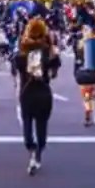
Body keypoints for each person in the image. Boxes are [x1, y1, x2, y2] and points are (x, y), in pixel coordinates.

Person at [14, 17, 60, 175]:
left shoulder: (22, 51)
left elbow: (16, 66)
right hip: (43, 92)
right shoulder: (48, 51)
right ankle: (38, 152)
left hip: (27, 92)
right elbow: (54, 72)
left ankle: (31, 148)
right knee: (42, 125)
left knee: (27, 124)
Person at [73, 17, 95, 125]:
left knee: (86, 95)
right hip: (94, 73)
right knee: (92, 94)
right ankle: (90, 112)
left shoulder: (80, 43)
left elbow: (77, 60)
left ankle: (88, 112)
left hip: (83, 74)